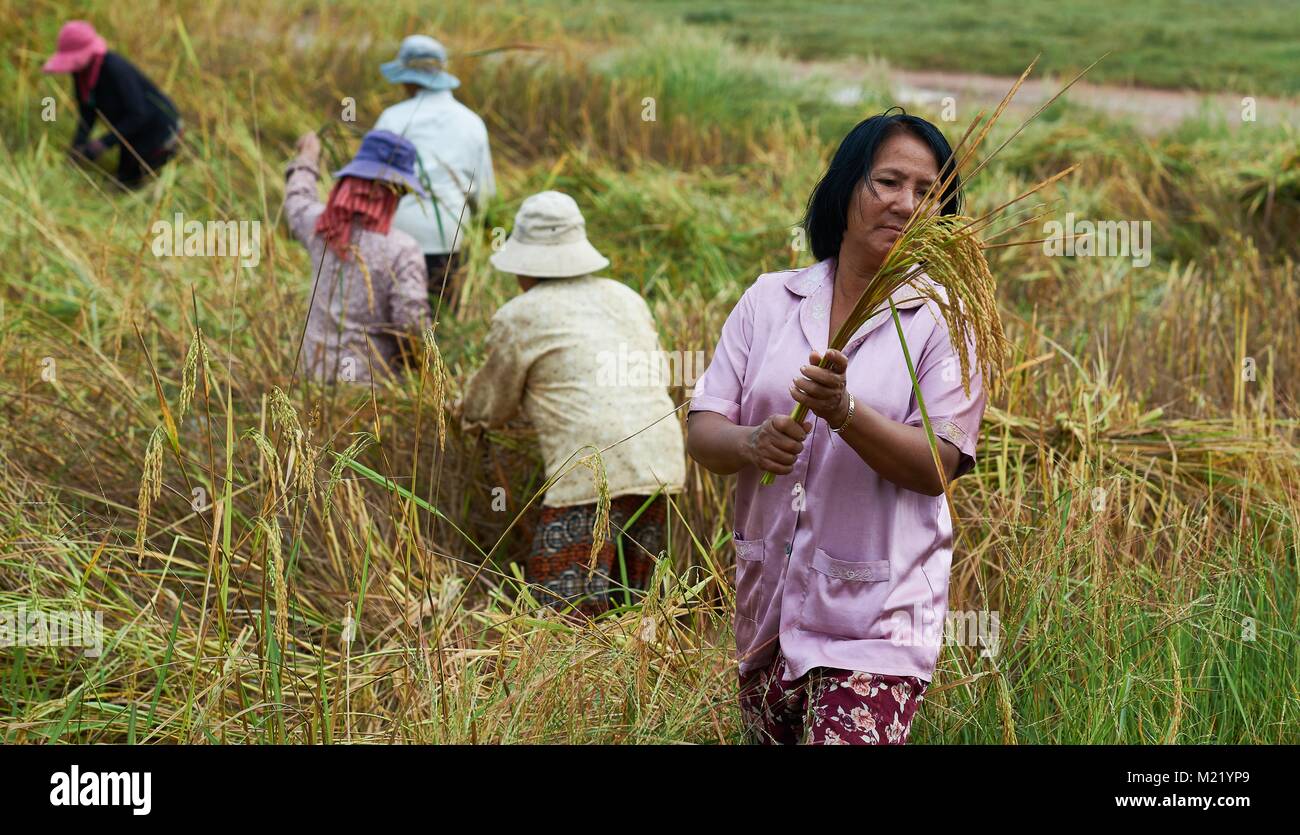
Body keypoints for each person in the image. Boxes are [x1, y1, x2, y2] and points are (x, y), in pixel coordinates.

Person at [685, 111, 988, 745]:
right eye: (887, 182)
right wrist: (752, 442)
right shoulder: (771, 299)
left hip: (878, 623)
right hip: (768, 612)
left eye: (928, 192)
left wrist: (845, 413)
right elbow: (704, 426)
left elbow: (937, 465)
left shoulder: (947, 320)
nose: (906, 205)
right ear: (844, 188)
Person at [461, 191, 686, 617]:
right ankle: (634, 683)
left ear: (523, 267)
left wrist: (459, 411)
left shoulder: (520, 314)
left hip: (590, 472)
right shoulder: (626, 298)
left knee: (565, 620)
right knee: (633, 610)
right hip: (657, 462)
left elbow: (490, 406)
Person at [283, 129, 432, 385]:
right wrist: (424, 367)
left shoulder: (320, 227)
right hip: (369, 391)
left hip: (312, 375)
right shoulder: (402, 250)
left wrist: (308, 158)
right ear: (397, 194)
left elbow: (297, 198)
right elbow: (411, 326)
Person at [374, 34, 496, 313]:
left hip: (398, 236)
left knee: (398, 319)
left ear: (408, 78)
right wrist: (486, 230)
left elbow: (373, 182)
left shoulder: (392, 118)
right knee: (443, 320)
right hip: (451, 237)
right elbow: (485, 193)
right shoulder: (472, 123)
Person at [42, 20, 182, 188]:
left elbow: (138, 114)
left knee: (123, 185)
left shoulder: (114, 68)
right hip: (130, 134)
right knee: (119, 181)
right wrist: (77, 147)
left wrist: (103, 144)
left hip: (159, 133)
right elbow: (87, 112)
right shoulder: (81, 75)